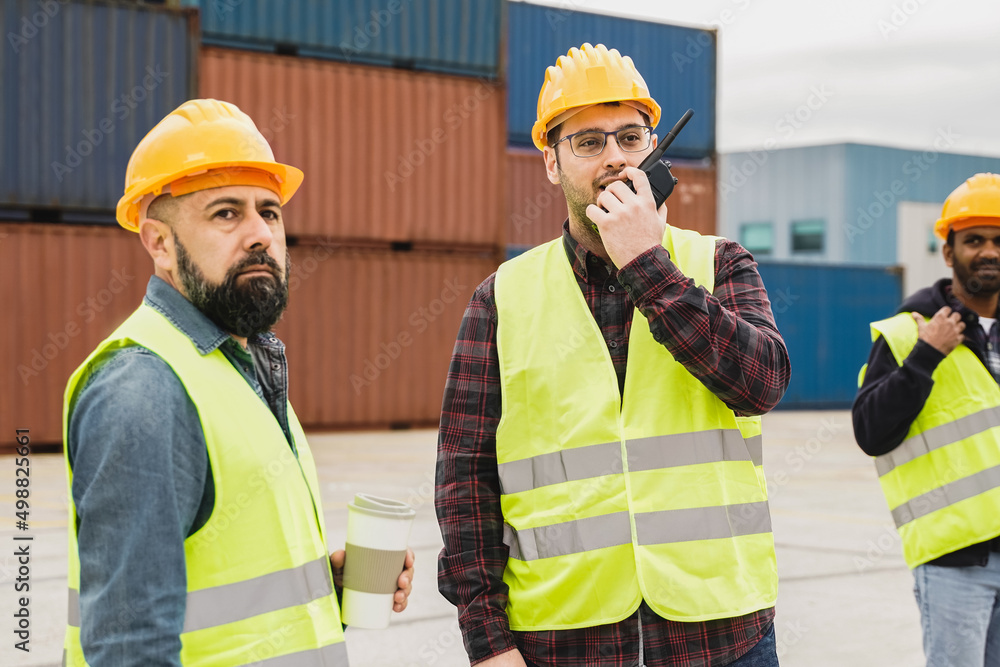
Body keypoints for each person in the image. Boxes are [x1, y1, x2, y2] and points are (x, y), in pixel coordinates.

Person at [435, 44, 790, 667]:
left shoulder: (719, 262)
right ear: (551, 163)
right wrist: (487, 641)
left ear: (653, 147)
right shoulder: (501, 299)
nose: (616, 159)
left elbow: (761, 383)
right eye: (589, 143)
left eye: (630, 137)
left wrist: (648, 267)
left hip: (719, 637)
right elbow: (464, 480)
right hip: (565, 640)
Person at [62, 99, 414, 666]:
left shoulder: (241, 366)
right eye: (226, 213)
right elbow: (128, 648)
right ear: (159, 243)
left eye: (269, 213)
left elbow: (222, 593)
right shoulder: (143, 388)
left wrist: (323, 588)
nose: (259, 235)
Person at [853, 173, 1000, 667]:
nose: (988, 251)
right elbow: (871, 433)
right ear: (948, 251)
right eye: (974, 240)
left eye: (999, 240)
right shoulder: (905, 334)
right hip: (956, 559)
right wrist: (924, 357)